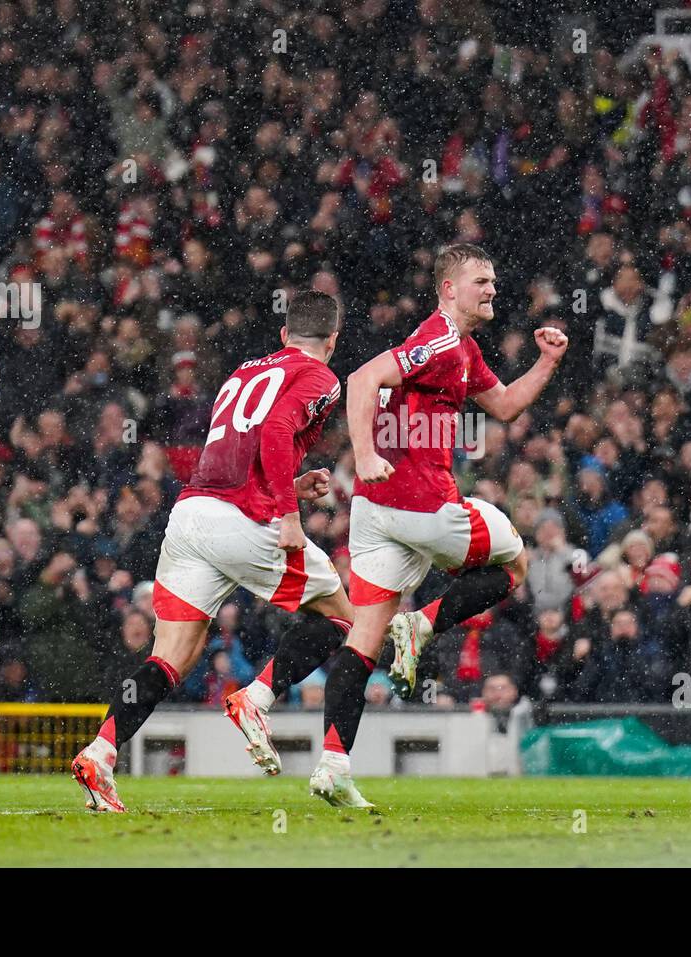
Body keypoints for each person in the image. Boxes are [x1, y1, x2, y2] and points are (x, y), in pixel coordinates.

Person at [71, 291, 355, 813]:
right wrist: (289, 513)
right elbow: (273, 431)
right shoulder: (320, 377)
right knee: (343, 619)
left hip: (191, 516)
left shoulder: (243, 372)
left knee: (171, 656)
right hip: (240, 521)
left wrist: (289, 485)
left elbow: (237, 454)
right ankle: (257, 696)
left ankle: (100, 753)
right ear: (332, 340)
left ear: (284, 334)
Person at [316, 243, 567, 807]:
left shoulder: (464, 350)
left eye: (495, 280)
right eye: (481, 280)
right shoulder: (439, 339)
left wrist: (547, 362)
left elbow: (502, 406)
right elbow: (360, 379)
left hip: (375, 514)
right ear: (449, 289)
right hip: (422, 508)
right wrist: (365, 454)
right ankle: (425, 623)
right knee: (518, 562)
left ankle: (333, 763)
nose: (492, 289)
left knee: (362, 640)